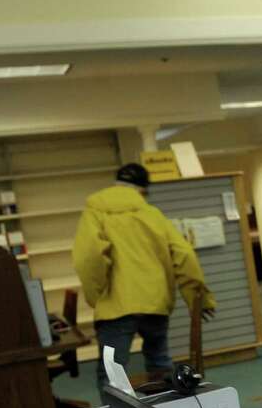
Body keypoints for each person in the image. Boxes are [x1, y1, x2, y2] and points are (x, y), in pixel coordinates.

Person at [73, 162, 215, 391]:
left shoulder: (94, 213)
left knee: (112, 371)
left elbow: (88, 257)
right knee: (159, 364)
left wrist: (96, 295)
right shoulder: (153, 215)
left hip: (115, 307)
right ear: (142, 190)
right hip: (154, 302)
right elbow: (185, 255)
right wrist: (198, 299)